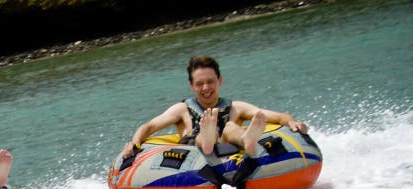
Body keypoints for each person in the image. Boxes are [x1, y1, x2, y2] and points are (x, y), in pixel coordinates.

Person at [122, 55, 308, 159]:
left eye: (210, 82)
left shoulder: (236, 107)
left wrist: (292, 123)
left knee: (229, 127)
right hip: (196, 148)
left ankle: (247, 141)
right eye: (199, 84)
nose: (206, 88)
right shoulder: (182, 110)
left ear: (220, 81)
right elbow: (149, 127)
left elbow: (278, 117)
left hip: (228, 147)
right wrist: (135, 144)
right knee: (205, 135)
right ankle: (209, 137)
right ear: (192, 86)